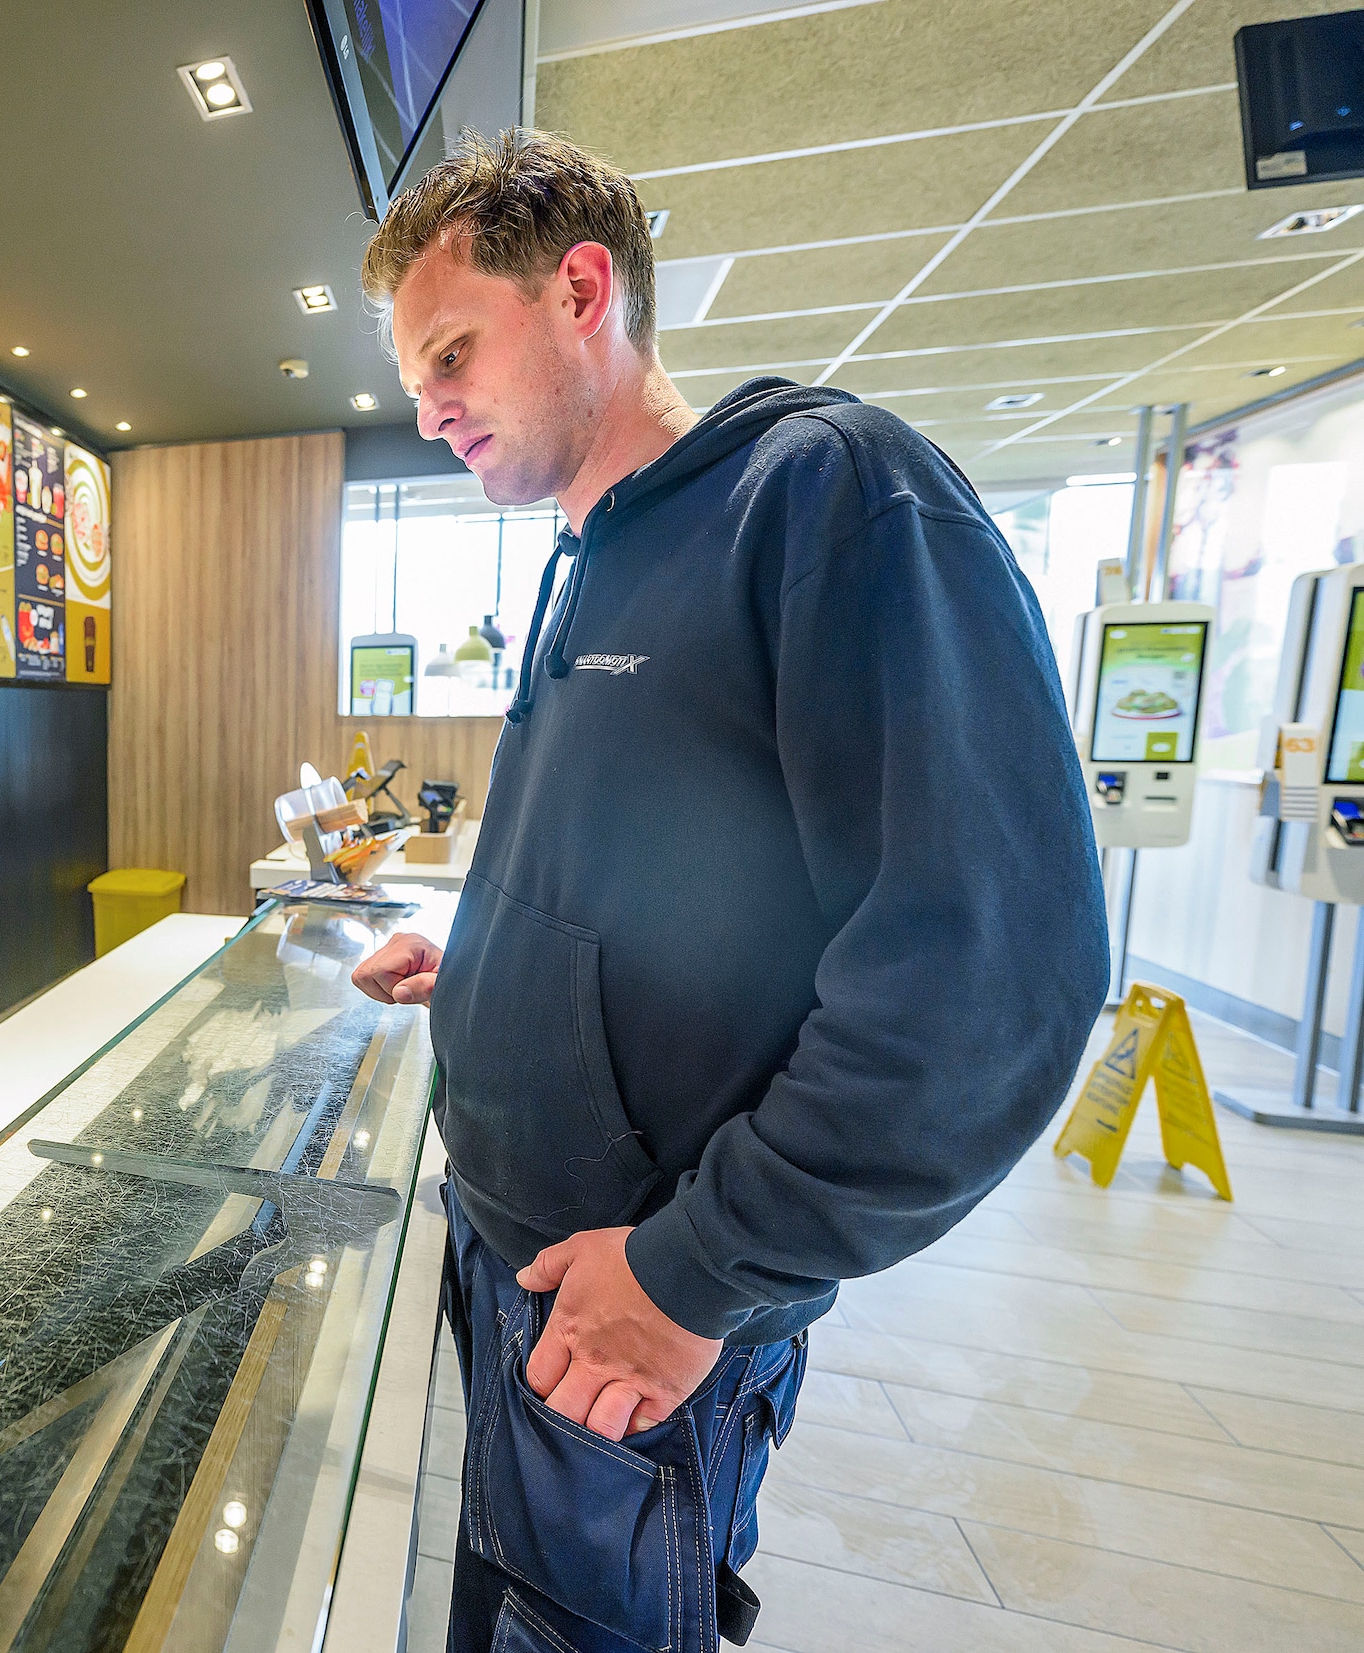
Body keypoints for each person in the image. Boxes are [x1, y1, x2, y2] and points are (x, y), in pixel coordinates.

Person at [349, 132, 1105, 1652]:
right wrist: (495, 964)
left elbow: (988, 979)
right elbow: (672, 888)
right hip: (523, 1258)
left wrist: (696, 1270)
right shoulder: (585, 559)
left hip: (639, 1297)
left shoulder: (825, 495)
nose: (428, 410)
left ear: (580, 291)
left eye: (450, 352)